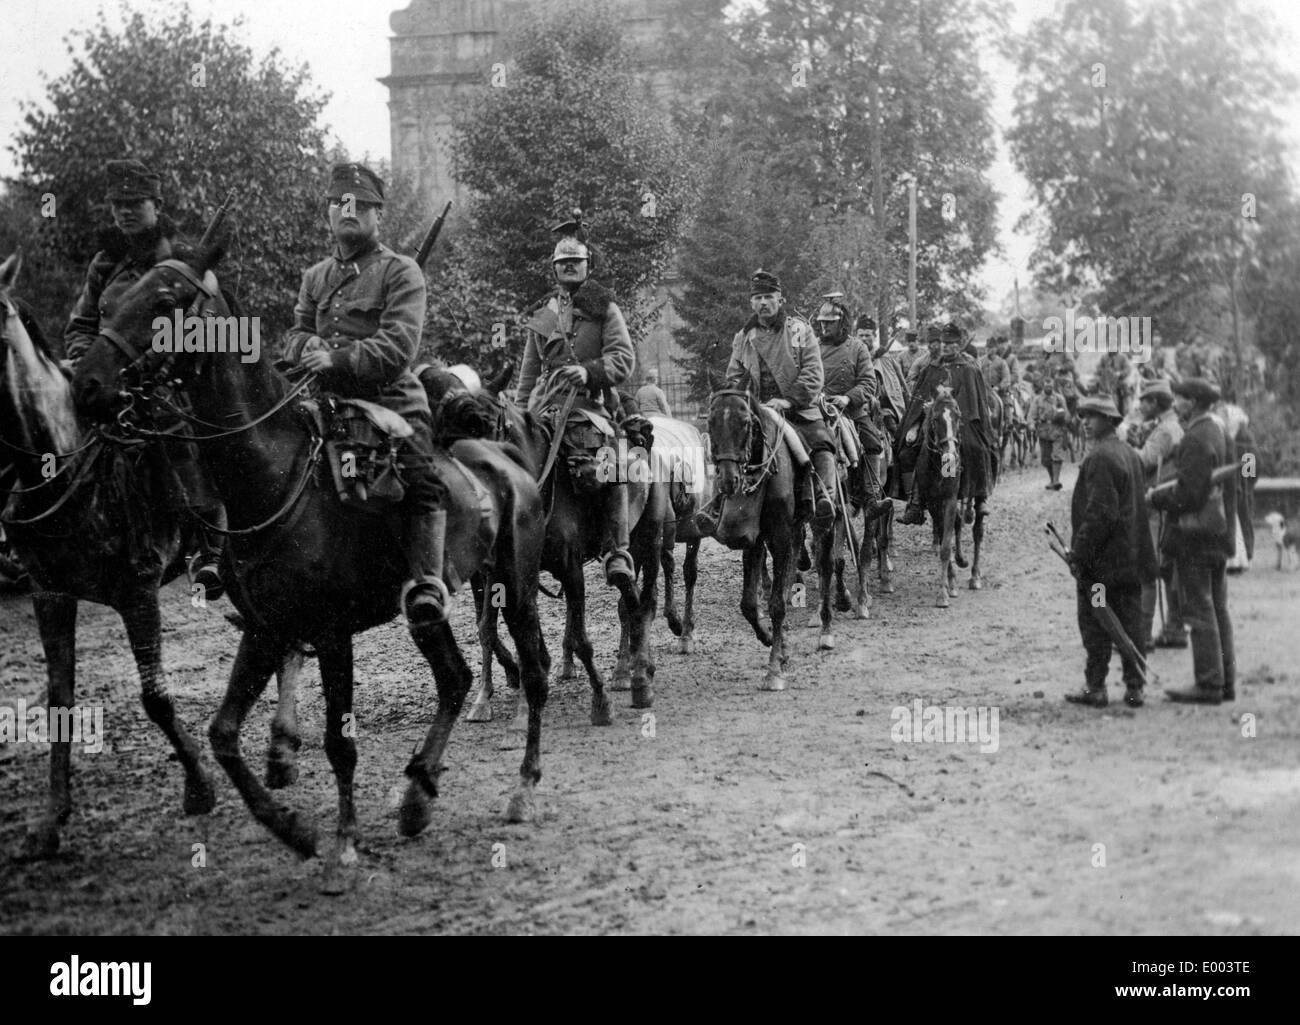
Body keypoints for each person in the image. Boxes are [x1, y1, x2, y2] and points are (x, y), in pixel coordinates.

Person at [284, 162, 453, 628]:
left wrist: (337, 358)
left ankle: (425, 584)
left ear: (378, 214)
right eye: (340, 203)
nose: (348, 210)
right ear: (329, 215)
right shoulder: (315, 276)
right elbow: (294, 332)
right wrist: (306, 345)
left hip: (390, 399)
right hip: (324, 401)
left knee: (421, 478)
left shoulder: (400, 272)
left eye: (360, 204)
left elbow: (399, 345)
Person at [64, 158, 226, 598]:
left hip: (166, 382)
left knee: (180, 430)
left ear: (157, 204)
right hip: (106, 378)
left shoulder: (182, 261)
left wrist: (153, 362)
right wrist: (85, 359)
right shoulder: (105, 264)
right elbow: (80, 325)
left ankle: (209, 547)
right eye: (118, 204)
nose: (125, 212)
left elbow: (207, 328)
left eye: (135, 202)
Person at [515, 214, 636, 586]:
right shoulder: (543, 314)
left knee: (610, 464)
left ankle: (618, 550)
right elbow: (528, 373)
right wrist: (521, 413)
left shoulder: (604, 308)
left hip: (590, 406)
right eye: (562, 263)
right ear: (554, 269)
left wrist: (588, 372)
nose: (568, 267)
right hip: (545, 406)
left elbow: (624, 359)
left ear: (588, 266)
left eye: (576, 262)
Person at [1147, 377, 1237, 704]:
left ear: (1194, 401)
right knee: (1219, 609)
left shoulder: (1196, 438)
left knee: (1199, 610)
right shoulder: (1220, 431)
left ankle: (1209, 683)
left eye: (1181, 398)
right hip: (1218, 533)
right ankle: (1225, 682)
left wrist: (1158, 499)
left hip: (1195, 538)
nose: (1176, 403)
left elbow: (1190, 495)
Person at [1066, 396, 1158, 708]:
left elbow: (1100, 514)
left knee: (1095, 623)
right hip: (1129, 561)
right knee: (1131, 624)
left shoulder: (1101, 458)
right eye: (1084, 415)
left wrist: (1078, 554)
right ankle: (1135, 688)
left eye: (1094, 416)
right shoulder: (1128, 453)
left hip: (1102, 566)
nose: (1086, 421)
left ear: (1110, 420)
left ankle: (1096, 687)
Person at [724, 269, 835, 522]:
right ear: (751, 302)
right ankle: (721, 505)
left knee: (822, 443)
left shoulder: (799, 330)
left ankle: (823, 497)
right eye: (758, 298)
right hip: (758, 413)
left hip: (797, 409)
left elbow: (813, 373)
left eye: (769, 296)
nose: (763, 303)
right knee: (729, 449)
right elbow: (733, 376)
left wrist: (788, 400)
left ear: (780, 299)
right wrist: (745, 404)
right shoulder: (742, 338)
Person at [896, 323, 996, 524]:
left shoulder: (969, 369)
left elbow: (973, 403)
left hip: (962, 423)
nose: (946, 347)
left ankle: (979, 497)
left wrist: (949, 409)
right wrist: (916, 423)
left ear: (959, 345)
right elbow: (919, 399)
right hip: (934, 421)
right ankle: (916, 502)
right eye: (943, 343)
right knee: (911, 450)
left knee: (975, 447)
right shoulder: (931, 368)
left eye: (950, 344)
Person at [815, 299, 889, 516]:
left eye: (830, 323)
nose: (824, 327)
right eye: (822, 323)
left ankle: (872, 496)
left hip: (851, 411)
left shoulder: (857, 347)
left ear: (842, 323)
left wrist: (847, 398)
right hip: (818, 409)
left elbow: (868, 382)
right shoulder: (813, 347)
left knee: (873, 442)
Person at [1129, 378, 1186, 651]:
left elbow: (1143, 460)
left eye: (1144, 400)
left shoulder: (1165, 430)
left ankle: (1142, 635)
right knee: (1168, 568)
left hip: (1156, 507)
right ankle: (1174, 628)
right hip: (1166, 505)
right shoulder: (1170, 426)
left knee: (1148, 567)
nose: (1141, 405)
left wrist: (1123, 445)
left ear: (1155, 402)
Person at [1028, 375, 1069, 490]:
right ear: (1043, 386)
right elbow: (1031, 415)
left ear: (1053, 386)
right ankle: (1052, 479)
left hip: (1057, 429)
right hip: (1044, 431)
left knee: (1057, 455)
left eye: (1050, 385)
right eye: (1046, 385)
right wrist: (1031, 424)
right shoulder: (1037, 400)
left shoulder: (1060, 398)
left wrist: (1062, 416)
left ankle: (1056, 480)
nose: (1048, 387)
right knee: (1046, 459)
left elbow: (1066, 414)